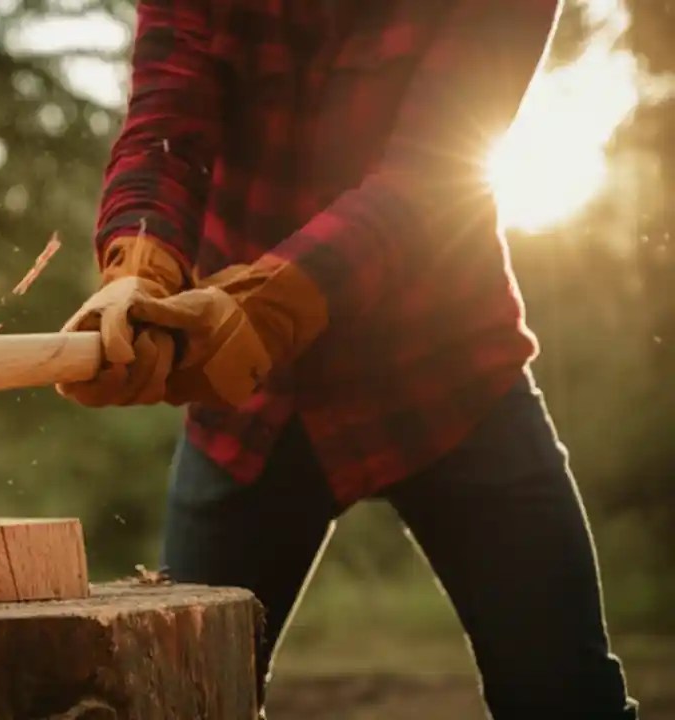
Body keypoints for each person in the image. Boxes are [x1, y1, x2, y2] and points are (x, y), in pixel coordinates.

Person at [56, 0, 640, 717]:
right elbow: (166, 127)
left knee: (565, 697)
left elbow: (429, 181)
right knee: (185, 697)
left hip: (446, 374)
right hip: (248, 404)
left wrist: (261, 306)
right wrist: (136, 277)